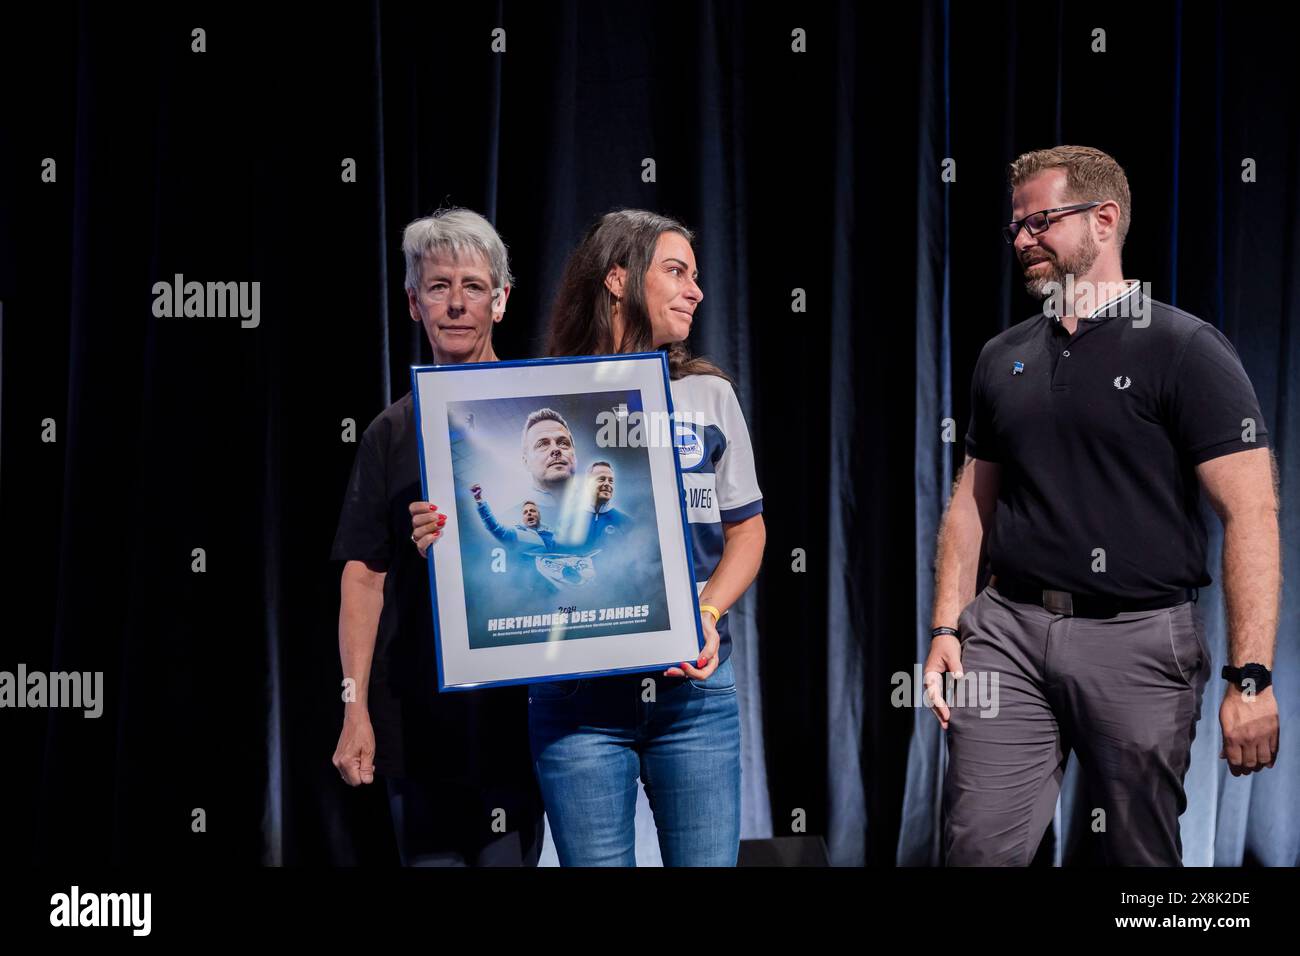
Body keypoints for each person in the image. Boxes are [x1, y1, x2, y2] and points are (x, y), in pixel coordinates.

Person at [923, 146, 1280, 866]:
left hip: (1140, 640)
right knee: (976, 849)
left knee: (1140, 859)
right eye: (1016, 227)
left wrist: (1252, 678)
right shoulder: (1002, 356)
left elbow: (1252, 514)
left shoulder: (1185, 349)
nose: (1023, 240)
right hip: (1008, 636)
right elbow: (971, 503)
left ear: (1105, 219)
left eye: (1041, 221)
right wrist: (945, 627)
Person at [417, 209, 766, 865]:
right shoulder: (545, 395)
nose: (695, 290)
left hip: (694, 693)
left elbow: (747, 530)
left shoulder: (709, 395)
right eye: (676, 272)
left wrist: (708, 611)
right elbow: (497, 548)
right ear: (617, 278)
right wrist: (445, 531)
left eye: (695, 276)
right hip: (576, 700)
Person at [330, 208, 544, 866]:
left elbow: (578, 549)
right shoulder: (390, 433)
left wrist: (480, 544)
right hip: (418, 721)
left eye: (473, 286)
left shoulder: (546, 414)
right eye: (438, 285)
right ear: (413, 303)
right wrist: (353, 706)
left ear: (501, 301)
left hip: (521, 719)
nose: (456, 304)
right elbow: (364, 575)